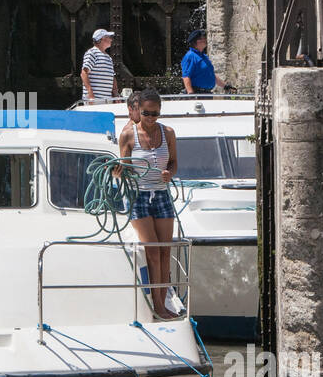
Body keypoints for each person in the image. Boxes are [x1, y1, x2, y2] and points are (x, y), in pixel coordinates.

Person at [115, 89, 180, 320]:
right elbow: (121, 169)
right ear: (137, 111)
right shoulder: (127, 135)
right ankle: (158, 306)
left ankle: (163, 304)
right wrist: (119, 172)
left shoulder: (168, 133)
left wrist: (168, 174)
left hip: (161, 194)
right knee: (152, 251)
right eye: (147, 113)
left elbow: (173, 163)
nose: (151, 118)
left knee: (165, 251)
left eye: (155, 113)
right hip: (138, 196)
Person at [180, 29, 231, 93]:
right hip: (197, 94)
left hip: (206, 93)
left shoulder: (204, 56)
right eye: (203, 39)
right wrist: (191, 94)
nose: (205, 40)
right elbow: (186, 77)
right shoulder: (190, 56)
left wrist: (225, 86)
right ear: (196, 42)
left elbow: (211, 75)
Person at [81, 28, 118, 101]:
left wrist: (116, 95)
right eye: (109, 37)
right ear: (101, 39)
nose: (111, 40)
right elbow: (84, 73)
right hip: (94, 100)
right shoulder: (92, 53)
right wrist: (90, 93)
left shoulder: (108, 58)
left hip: (106, 101)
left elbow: (112, 77)